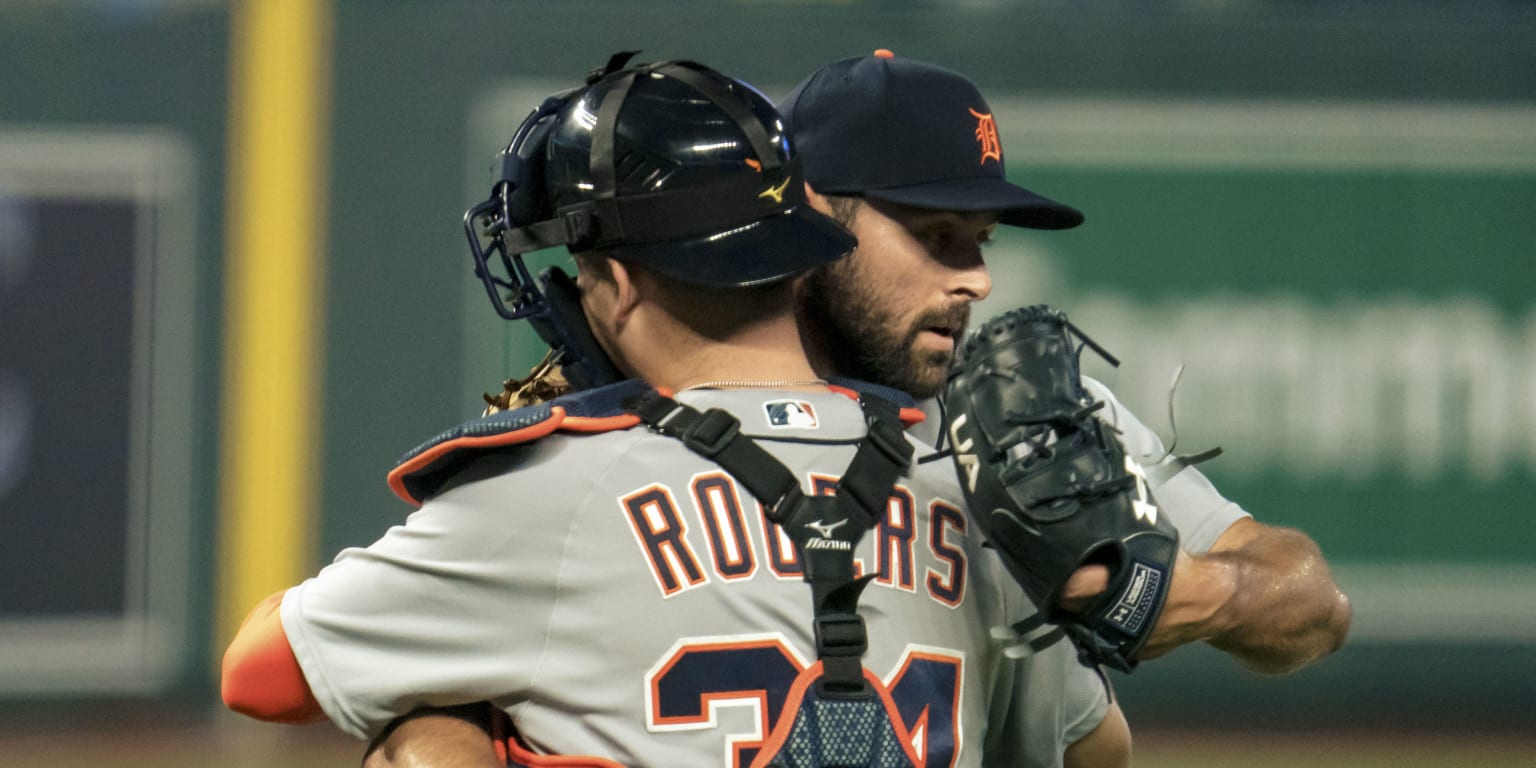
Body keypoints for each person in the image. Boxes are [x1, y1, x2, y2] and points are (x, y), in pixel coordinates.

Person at [359, 51, 1353, 768]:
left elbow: (1308, 603)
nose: (969, 280)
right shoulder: (627, 412)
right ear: (813, 214)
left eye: (981, 243)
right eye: (934, 233)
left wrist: (1180, 594)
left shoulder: (1007, 419)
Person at [222, 55, 1126, 768]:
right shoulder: (959, 479)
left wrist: (458, 709)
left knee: (416, 736)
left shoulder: (552, 494)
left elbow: (260, 674)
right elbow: (1097, 746)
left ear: (616, 280)